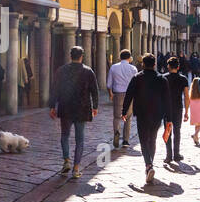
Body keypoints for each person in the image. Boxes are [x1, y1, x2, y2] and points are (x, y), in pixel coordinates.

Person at [49, 45, 99, 181]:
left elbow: (55, 89)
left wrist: (52, 106)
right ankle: (76, 168)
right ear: (82, 56)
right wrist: (95, 106)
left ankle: (66, 160)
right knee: (80, 139)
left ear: (70, 56)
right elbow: (94, 91)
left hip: (66, 107)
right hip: (82, 108)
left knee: (65, 135)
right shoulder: (88, 72)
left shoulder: (61, 70)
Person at [122, 54, 174, 185]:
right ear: (155, 64)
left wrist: (124, 111)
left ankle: (148, 165)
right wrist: (169, 118)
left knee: (143, 140)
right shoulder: (162, 79)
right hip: (157, 114)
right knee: (152, 138)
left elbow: (129, 94)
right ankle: (150, 163)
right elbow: (167, 100)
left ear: (143, 64)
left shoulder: (137, 78)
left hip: (142, 113)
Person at [105, 49, 137, 148]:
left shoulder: (114, 67)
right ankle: (126, 140)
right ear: (129, 58)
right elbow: (136, 84)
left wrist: (110, 94)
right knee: (128, 117)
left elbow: (109, 84)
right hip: (130, 94)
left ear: (120, 57)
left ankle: (116, 133)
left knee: (117, 117)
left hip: (118, 94)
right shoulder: (133, 69)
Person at [162, 56, 191, 164]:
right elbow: (187, 96)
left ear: (168, 66)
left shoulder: (164, 78)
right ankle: (176, 154)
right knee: (177, 131)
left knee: (167, 130)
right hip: (178, 108)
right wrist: (187, 111)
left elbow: (160, 95)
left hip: (166, 108)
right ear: (178, 67)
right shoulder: (183, 79)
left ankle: (168, 155)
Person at [189, 76, 200, 146]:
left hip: (193, 111)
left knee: (196, 125)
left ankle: (196, 139)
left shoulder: (191, 94)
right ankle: (195, 134)